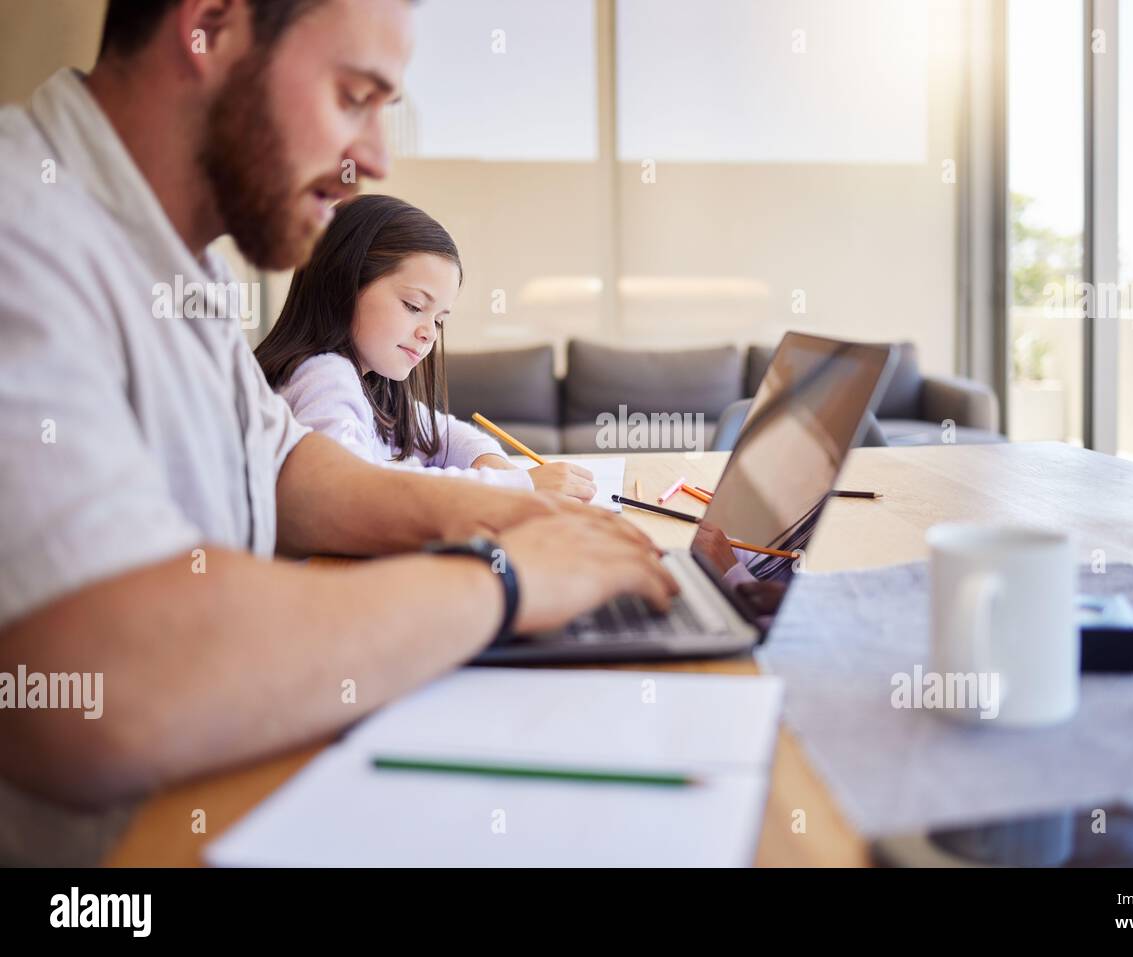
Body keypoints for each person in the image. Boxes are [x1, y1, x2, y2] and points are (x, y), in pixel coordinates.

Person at [0, 0, 675, 865]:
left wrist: (497, 516)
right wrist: (499, 581)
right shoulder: (27, 232)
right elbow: (111, 679)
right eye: (356, 97)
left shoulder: (184, 259)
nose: (375, 159)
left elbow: (285, 468)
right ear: (209, 26)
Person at [256, 193, 596, 500]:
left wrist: (494, 465)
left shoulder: (375, 384)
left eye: (439, 320)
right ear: (342, 284)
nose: (429, 334)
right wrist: (520, 485)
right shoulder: (323, 375)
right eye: (414, 306)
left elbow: (447, 434)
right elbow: (355, 489)